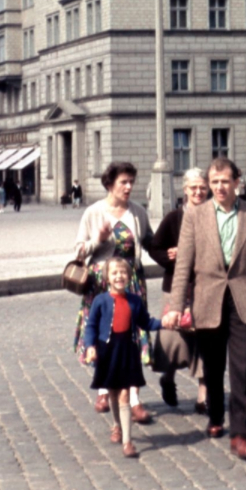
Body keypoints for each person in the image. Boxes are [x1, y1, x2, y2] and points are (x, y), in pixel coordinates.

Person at [163, 157, 246, 461]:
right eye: (214, 182)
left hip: (243, 298)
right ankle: (216, 415)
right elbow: (183, 266)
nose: (219, 187)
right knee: (214, 365)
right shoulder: (196, 216)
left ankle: (241, 433)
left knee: (242, 368)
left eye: (225, 181)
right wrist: (176, 306)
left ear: (237, 182)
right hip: (208, 298)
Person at [73, 161, 159, 424]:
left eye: (131, 181)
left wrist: (171, 252)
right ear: (109, 184)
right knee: (104, 335)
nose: (129, 187)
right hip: (101, 287)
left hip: (132, 284)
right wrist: (97, 240)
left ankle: (134, 400)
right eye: (124, 182)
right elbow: (78, 251)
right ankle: (102, 390)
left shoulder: (137, 212)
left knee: (132, 337)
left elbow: (150, 241)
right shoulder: (93, 212)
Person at [83, 257, 164, 458]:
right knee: (112, 392)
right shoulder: (100, 301)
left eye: (123, 273)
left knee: (125, 394)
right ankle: (117, 425)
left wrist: (165, 323)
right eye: (114, 273)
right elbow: (91, 326)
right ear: (107, 278)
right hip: (107, 351)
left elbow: (146, 322)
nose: (119, 276)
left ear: (129, 276)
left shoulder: (135, 300)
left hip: (127, 350)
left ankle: (127, 442)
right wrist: (90, 347)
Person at [149, 168, 210, 413]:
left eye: (202, 187)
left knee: (205, 340)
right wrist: (167, 255)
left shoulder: (214, 215)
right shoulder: (174, 218)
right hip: (175, 286)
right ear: (185, 189)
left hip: (206, 287)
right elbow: (154, 247)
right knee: (174, 339)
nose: (198, 192)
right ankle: (168, 377)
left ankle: (203, 396)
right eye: (193, 188)